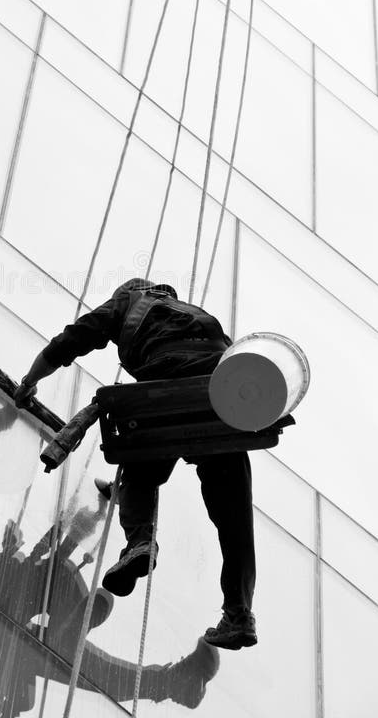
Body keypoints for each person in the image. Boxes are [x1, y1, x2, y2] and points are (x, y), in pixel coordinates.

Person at [0, 395, 219, 718]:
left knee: (67, 645)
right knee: (65, 649)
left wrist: (71, 536)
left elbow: (21, 582)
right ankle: (168, 682)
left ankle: (170, 682)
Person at [14, 278, 257, 651]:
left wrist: (29, 380)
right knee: (234, 517)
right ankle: (239, 613)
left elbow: (68, 342)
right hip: (218, 399)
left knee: (141, 460)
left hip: (162, 390)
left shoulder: (128, 303)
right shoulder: (194, 314)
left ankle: (140, 541)